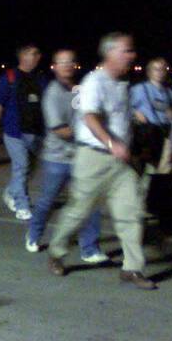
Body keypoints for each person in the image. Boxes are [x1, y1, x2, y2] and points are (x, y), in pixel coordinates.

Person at [45, 33, 157, 290]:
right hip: (93, 158)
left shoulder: (121, 83)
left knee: (131, 213)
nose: (132, 55)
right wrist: (112, 143)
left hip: (120, 163)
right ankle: (56, 251)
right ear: (110, 53)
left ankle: (132, 268)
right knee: (78, 212)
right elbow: (90, 118)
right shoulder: (94, 81)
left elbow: (120, 118)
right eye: (127, 51)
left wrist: (134, 127)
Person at [27, 49, 105, 262]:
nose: (67, 65)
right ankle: (34, 233)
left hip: (79, 157)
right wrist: (90, 134)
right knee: (47, 201)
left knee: (89, 201)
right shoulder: (52, 93)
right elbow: (59, 129)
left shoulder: (78, 90)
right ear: (54, 67)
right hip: (57, 159)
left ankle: (89, 248)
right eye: (62, 62)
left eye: (71, 61)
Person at [0, 44, 48, 221]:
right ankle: (22, 205)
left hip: (36, 132)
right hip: (14, 132)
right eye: (32, 54)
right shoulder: (9, 77)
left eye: (37, 54)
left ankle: (11, 192)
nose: (36, 58)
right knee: (21, 166)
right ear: (22, 57)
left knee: (30, 169)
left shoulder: (41, 78)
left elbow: (47, 103)